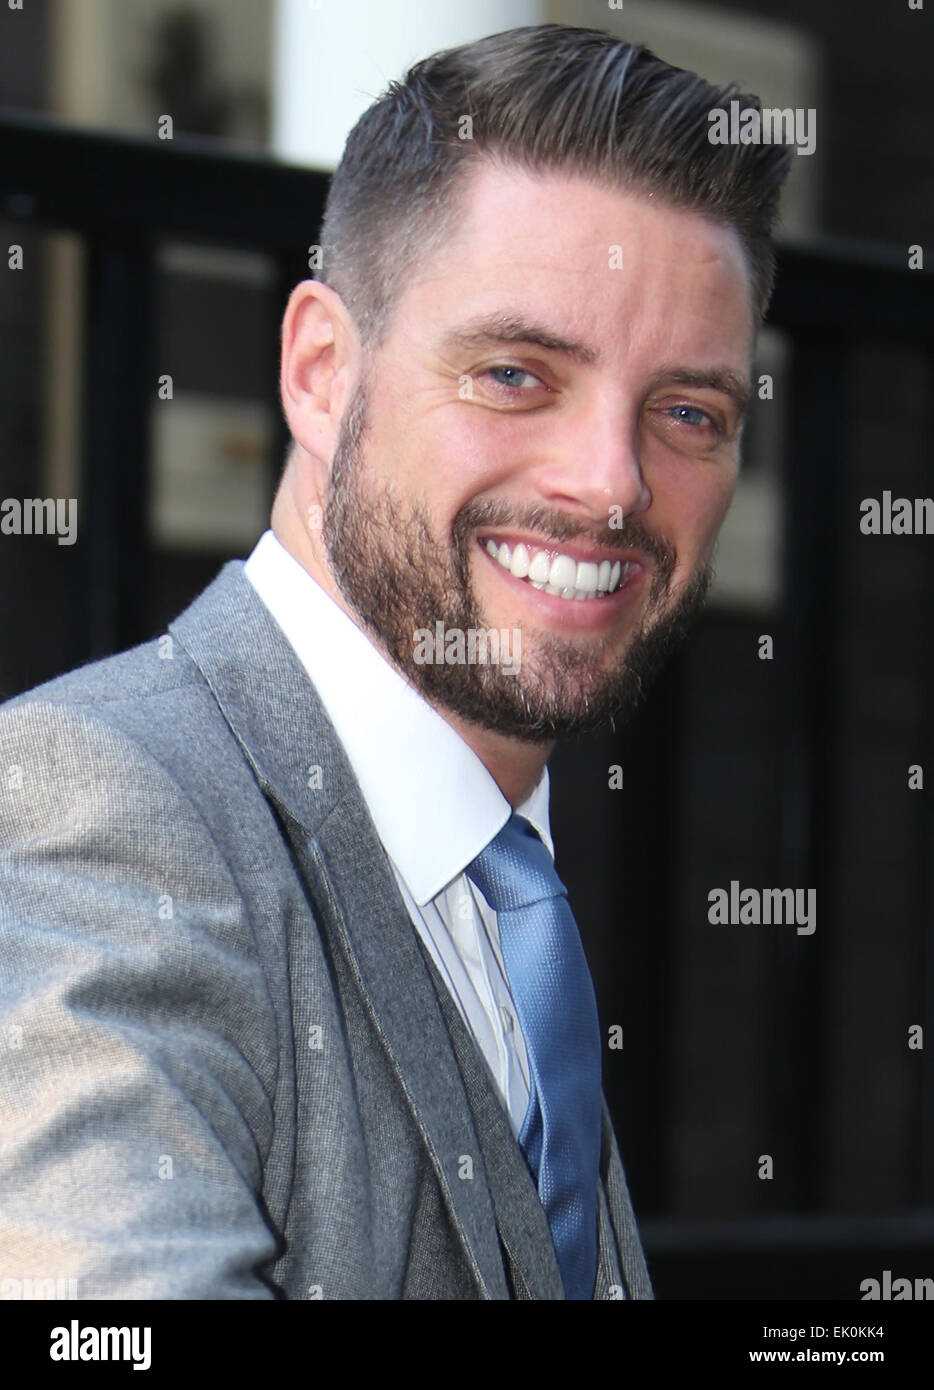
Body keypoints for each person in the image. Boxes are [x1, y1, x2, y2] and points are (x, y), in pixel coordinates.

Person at [0, 24, 792, 1300]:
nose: (611, 483)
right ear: (321, 373)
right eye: (514, 374)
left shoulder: (506, 878)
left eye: (687, 412)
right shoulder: (89, 808)